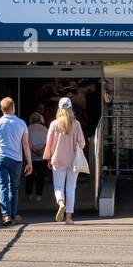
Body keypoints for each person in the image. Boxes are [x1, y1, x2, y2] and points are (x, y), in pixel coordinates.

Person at [0, 97, 32, 225]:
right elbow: (26, 145)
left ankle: (6, 215)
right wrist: (29, 163)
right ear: (13, 108)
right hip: (16, 160)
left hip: (0, 158)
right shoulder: (21, 123)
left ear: (2, 109)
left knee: (2, 187)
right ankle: (13, 214)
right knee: (14, 188)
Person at [42, 96, 86, 224]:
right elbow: (82, 144)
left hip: (57, 159)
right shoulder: (76, 124)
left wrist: (48, 159)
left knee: (58, 186)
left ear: (59, 109)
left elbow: (48, 144)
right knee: (71, 188)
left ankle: (61, 203)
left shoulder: (54, 124)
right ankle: (68, 218)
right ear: (71, 108)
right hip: (73, 160)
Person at [26, 112, 50, 201]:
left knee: (29, 176)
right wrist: (42, 150)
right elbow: (48, 142)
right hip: (42, 157)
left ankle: (29, 194)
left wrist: (33, 150)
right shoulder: (45, 129)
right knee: (40, 176)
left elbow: (26, 142)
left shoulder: (28, 128)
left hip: (30, 157)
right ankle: (39, 195)